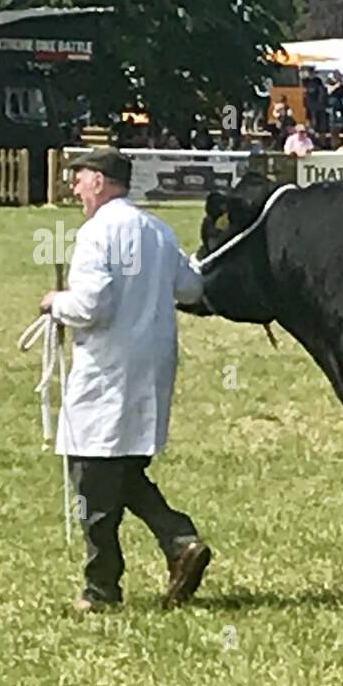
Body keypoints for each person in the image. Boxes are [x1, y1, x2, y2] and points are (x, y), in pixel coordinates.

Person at [38, 148, 211, 614]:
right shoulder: (156, 229)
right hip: (151, 364)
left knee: (92, 474)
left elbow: (93, 307)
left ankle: (101, 588)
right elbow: (191, 288)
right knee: (123, 469)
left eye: (79, 180)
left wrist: (56, 302)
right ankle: (180, 542)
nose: (74, 189)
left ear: (100, 181)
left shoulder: (97, 234)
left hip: (107, 366)